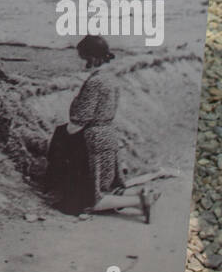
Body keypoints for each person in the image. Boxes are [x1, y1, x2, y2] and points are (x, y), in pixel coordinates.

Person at [50, 34, 159, 222]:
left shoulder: (95, 82)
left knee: (84, 201)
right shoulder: (112, 77)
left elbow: (81, 117)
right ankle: (140, 195)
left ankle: (140, 201)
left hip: (93, 140)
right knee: (105, 185)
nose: (83, 64)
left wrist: (65, 135)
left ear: (92, 58)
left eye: (84, 59)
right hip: (109, 136)